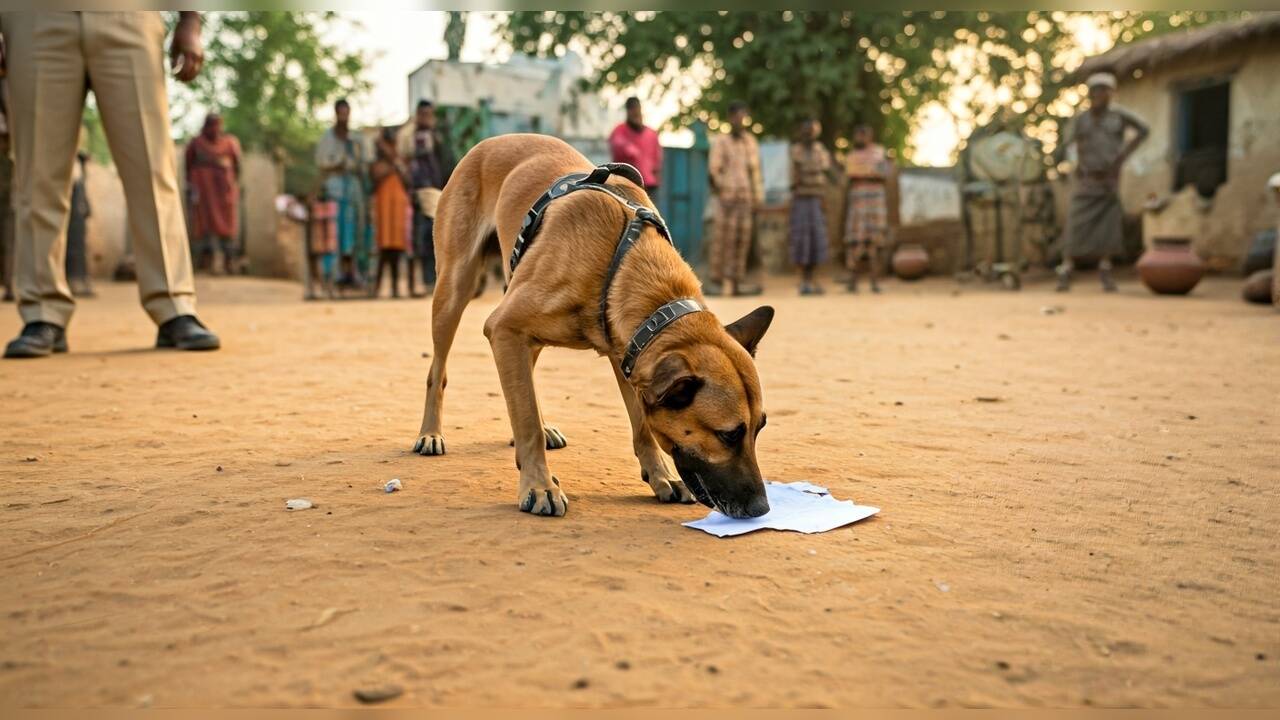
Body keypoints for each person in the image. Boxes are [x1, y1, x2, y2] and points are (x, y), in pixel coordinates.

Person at [1, 11, 220, 358]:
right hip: (35, 17)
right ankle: (43, 311)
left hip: (129, 14)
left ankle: (174, 305)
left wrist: (191, 17)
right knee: (38, 175)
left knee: (152, 170)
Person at [1054, 72, 1149, 292]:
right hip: (1085, 180)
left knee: (1108, 229)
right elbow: (1065, 145)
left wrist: (1123, 155)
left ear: (1111, 93)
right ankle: (1066, 269)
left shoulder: (1118, 116)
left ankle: (1105, 270)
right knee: (1075, 226)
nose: (1101, 95)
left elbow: (1144, 130)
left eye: (1105, 91)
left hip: (1109, 181)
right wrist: (1061, 164)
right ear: (1090, 94)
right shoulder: (1081, 120)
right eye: (1096, 91)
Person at [396, 99, 454, 296]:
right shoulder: (409, 137)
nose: (426, 118)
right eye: (423, 114)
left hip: (436, 192)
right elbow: (403, 161)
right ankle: (419, 283)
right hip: (416, 193)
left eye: (429, 114)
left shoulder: (438, 138)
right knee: (418, 238)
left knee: (437, 237)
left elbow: (447, 163)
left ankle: (436, 281)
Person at [707, 100, 764, 297]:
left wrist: (757, 197)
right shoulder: (721, 141)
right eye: (737, 116)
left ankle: (737, 282)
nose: (741, 120)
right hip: (726, 200)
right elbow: (714, 170)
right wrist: (723, 189)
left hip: (745, 199)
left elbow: (755, 172)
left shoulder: (750, 141)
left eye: (743, 116)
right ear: (730, 118)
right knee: (725, 240)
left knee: (743, 240)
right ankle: (721, 283)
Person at [315, 98, 368, 295]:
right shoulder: (327, 138)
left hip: (353, 190)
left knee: (355, 233)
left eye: (347, 113)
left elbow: (363, 162)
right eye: (341, 113)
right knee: (334, 234)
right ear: (336, 114)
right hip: (335, 188)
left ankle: (353, 274)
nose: (344, 116)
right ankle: (333, 276)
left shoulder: (355, 139)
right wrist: (338, 163)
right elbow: (322, 162)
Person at [185, 112, 242, 276]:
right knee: (204, 227)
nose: (215, 129)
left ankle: (229, 263)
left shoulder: (230, 143)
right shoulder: (196, 144)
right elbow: (188, 168)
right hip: (203, 194)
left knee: (227, 228)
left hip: (223, 193)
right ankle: (204, 264)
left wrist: (231, 185)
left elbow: (238, 168)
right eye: (212, 125)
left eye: (218, 124)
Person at [842, 124, 892, 294]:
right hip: (858, 206)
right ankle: (853, 281)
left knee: (875, 244)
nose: (860, 138)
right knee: (855, 244)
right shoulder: (851, 156)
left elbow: (884, 173)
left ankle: (874, 281)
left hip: (875, 206)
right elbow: (851, 175)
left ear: (869, 136)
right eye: (858, 135)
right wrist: (870, 172)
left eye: (863, 135)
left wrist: (865, 173)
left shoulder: (879, 152)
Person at [789, 117, 836, 295]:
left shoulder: (820, 150)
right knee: (801, 240)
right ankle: (802, 281)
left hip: (816, 199)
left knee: (817, 240)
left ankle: (813, 280)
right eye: (806, 129)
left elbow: (822, 169)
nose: (809, 133)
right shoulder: (796, 150)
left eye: (812, 130)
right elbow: (803, 172)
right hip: (801, 199)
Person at [371, 127, 411, 299]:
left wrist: (396, 162)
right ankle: (377, 288)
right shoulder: (379, 164)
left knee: (396, 248)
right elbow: (375, 176)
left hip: (398, 208)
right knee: (384, 248)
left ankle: (395, 288)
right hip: (384, 207)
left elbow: (408, 179)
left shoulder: (400, 162)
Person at [609, 96, 663, 195]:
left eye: (636, 108)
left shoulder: (651, 134)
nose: (635, 112)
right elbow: (618, 145)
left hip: (649, 185)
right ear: (627, 111)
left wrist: (656, 178)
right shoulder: (619, 131)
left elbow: (657, 160)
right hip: (626, 184)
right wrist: (629, 149)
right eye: (631, 109)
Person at [65, 151, 94, 298]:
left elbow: (83, 199)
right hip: (70, 224)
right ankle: (73, 282)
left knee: (80, 251)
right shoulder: (70, 173)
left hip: (79, 222)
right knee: (71, 252)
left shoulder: (80, 177)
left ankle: (80, 280)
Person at [305, 190, 338, 301]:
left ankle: (326, 288)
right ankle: (316, 289)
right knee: (314, 265)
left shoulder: (329, 205)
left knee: (325, 265)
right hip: (314, 240)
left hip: (325, 240)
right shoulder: (309, 208)